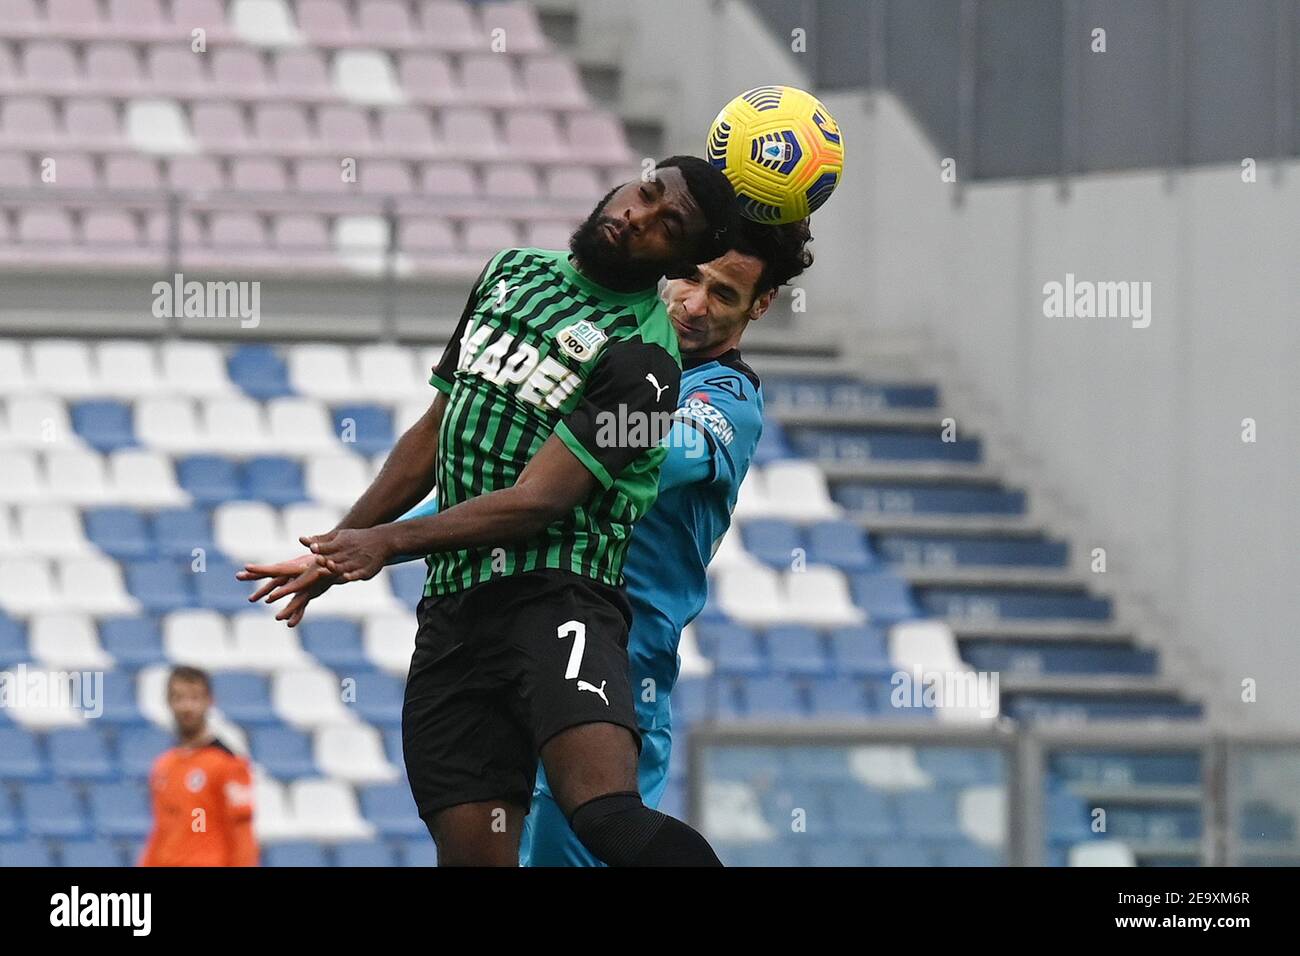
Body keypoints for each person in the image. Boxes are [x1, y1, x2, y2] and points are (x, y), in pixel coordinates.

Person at [242, 216, 815, 866]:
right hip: (512, 644)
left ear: (761, 305)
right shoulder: (615, 357)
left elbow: (642, 454)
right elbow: (495, 486)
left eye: (723, 294)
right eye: (688, 277)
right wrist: (354, 542)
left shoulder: (725, 400)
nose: (693, 304)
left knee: (593, 835)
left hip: (614, 669)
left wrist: (573, 427)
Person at [139, 666, 258, 867]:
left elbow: (241, 831)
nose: (187, 707)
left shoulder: (227, 763)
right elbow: (161, 830)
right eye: (179, 698)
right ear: (169, 702)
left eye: (194, 698)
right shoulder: (163, 765)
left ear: (209, 701)